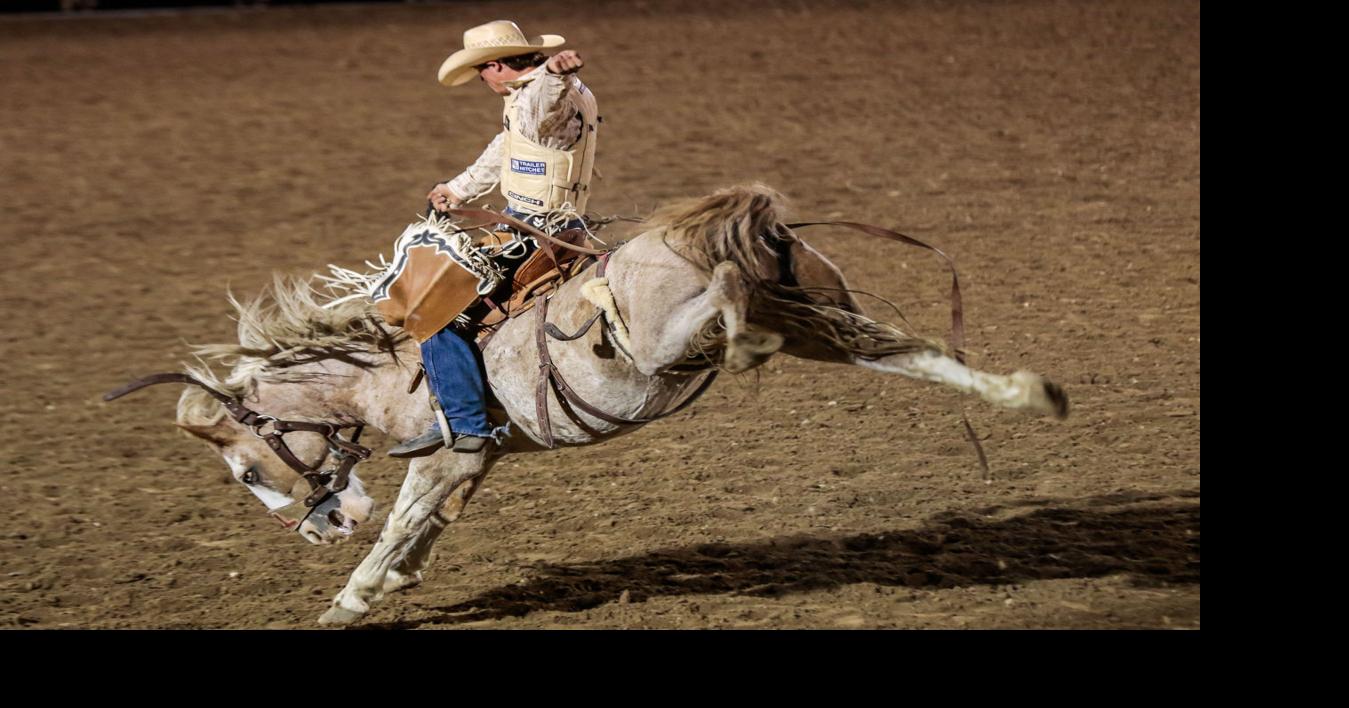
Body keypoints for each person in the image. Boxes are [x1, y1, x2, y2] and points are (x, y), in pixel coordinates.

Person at [390, 20, 600, 458]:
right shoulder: (526, 97)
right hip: (540, 221)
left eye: (481, 72)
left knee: (434, 314)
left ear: (496, 65)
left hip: (537, 228)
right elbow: (510, 145)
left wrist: (555, 76)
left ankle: (467, 423)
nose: (481, 81)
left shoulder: (544, 94)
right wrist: (460, 188)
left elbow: (546, 108)